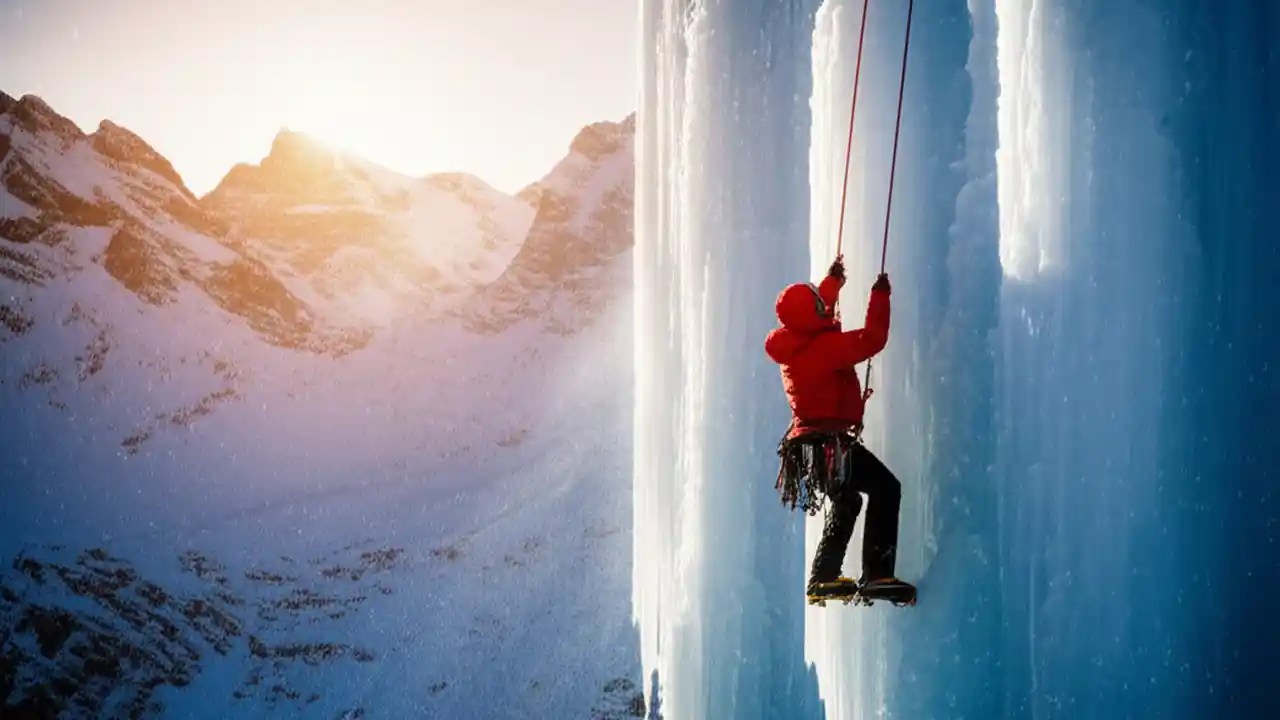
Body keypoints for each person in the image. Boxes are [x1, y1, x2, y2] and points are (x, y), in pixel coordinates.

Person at [763, 257, 916, 604]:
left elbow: (815, 312)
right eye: (819, 303)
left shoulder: (796, 343)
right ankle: (876, 574)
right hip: (828, 444)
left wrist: (832, 283)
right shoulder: (824, 348)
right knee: (885, 487)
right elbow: (872, 339)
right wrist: (880, 296)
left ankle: (822, 577)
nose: (824, 306)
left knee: (846, 502)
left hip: (809, 448)